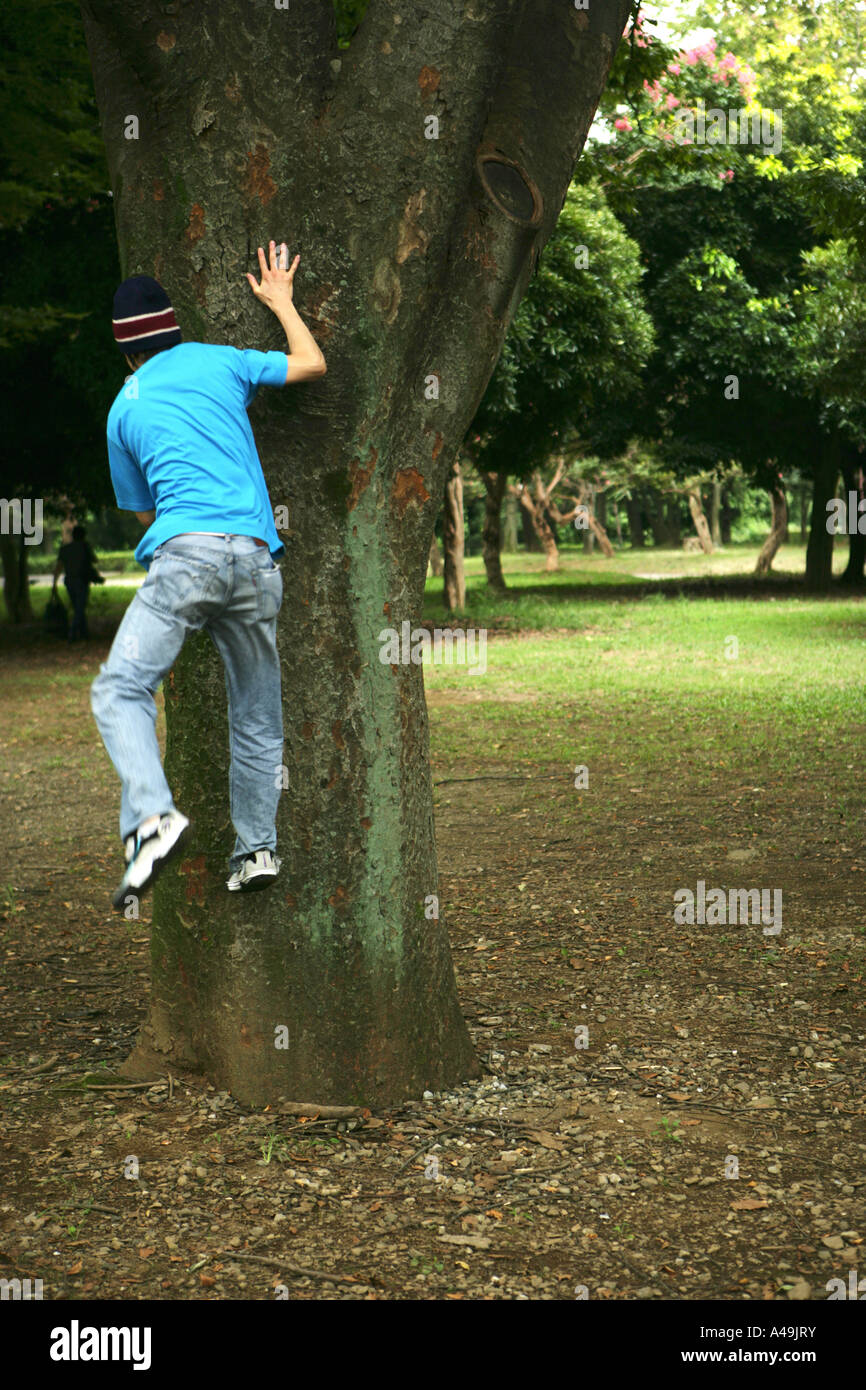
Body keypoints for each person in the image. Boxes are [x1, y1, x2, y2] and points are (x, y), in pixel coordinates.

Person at [90, 242, 326, 911]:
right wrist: (282, 302)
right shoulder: (220, 361)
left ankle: (153, 818)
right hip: (257, 562)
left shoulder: (123, 407)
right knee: (257, 717)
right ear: (174, 328)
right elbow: (312, 364)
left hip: (186, 562)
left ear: (127, 351)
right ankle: (256, 849)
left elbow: (141, 515)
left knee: (120, 690)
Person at [53, 524, 102, 641]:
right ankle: (73, 632)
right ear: (83, 536)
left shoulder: (65, 549)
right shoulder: (85, 547)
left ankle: (83, 632)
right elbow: (95, 560)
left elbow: (58, 567)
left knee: (77, 607)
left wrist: (53, 584)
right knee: (80, 607)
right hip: (81, 581)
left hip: (69, 581)